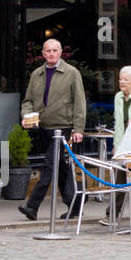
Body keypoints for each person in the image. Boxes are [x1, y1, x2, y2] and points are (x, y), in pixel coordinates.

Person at [18, 39, 86, 221]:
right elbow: (28, 101)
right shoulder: (37, 74)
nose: (51, 54)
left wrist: (78, 128)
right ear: (42, 53)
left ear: (61, 52)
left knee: (49, 166)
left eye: (55, 50)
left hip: (63, 128)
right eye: (48, 51)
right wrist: (26, 116)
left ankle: (32, 206)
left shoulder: (72, 73)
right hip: (44, 128)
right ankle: (75, 206)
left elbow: (80, 102)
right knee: (60, 168)